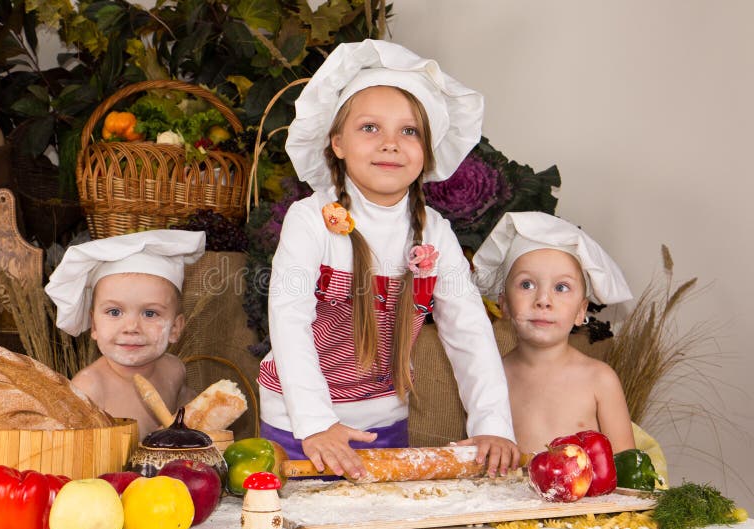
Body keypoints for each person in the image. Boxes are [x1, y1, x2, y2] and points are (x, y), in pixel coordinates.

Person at [258, 39, 519, 480]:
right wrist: (316, 424)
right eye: (370, 128)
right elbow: (289, 319)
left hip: (384, 423)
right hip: (298, 425)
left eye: (409, 131)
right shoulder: (310, 220)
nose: (391, 144)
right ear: (337, 142)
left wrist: (492, 424)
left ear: (427, 150)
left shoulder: (434, 232)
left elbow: (469, 331)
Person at [472, 211, 637, 454]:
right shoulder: (492, 378)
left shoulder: (600, 380)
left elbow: (625, 467)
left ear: (581, 311)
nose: (543, 300)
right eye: (527, 284)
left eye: (561, 287)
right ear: (504, 303)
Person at [45, 229, 205, 437]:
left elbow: (194, 420)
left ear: (175, 328)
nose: (131, 327)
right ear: (94, 325)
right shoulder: (90, 387)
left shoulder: (173, 371)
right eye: (114, 312)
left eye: (149, 313)